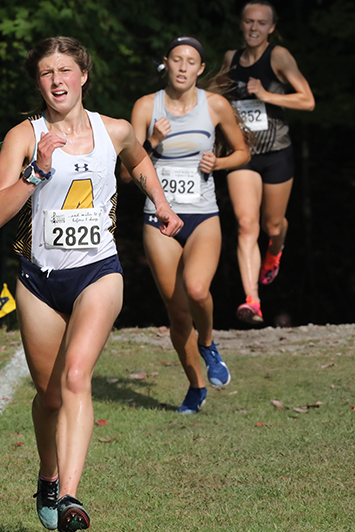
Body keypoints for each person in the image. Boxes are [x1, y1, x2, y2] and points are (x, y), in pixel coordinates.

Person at [0, 36, 181, 532]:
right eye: (47, 72)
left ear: (83, 76)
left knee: (76, 377)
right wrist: (37, 171)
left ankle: (70, 494)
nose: (56, 80)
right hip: (38, 280)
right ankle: (48, 477)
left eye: (65, 70)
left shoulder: (113, 130)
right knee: (49, 397)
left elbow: (138, 160)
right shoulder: (24, 137)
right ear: (39, 82)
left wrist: (159, 201)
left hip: (99, 270)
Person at [130, 36, 250, 412]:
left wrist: (221, 163)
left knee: (198, 290)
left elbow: (243, 152)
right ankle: (196, 387)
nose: (183, 67)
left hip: (202, 215)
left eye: (191, 61)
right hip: (159, 217)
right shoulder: (146, 106)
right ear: (166, 63)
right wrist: (151, 140)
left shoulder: (215, 105)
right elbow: (124, 170)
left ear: (200, 69)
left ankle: (209, 344)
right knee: (178, 313)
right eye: (177, 59)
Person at [223, 0, 314, 324]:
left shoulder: (278, 56)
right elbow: (217, 96)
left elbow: (308, 100)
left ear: (271, 28)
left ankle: (276, 248)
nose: (254, 28)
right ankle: (252, 300)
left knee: (272, 225)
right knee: (246, 224)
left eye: (261, 23)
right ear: (241, 23)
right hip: (242, 155)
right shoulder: (230, 60)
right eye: (249, 21)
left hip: (276, 155)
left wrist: (266, 94)